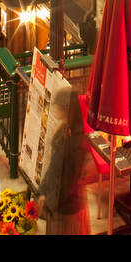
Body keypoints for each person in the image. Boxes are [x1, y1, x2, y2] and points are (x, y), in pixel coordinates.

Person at [36, 87, 93, 235]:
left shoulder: (77, 143)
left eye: (58, 106)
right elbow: (53, 166)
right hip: (58, 204)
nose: (55, 110)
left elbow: (69, 183)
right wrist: (43, 192)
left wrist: (48, 202)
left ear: (67, 109)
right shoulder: (65, 129)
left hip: (68, 209)